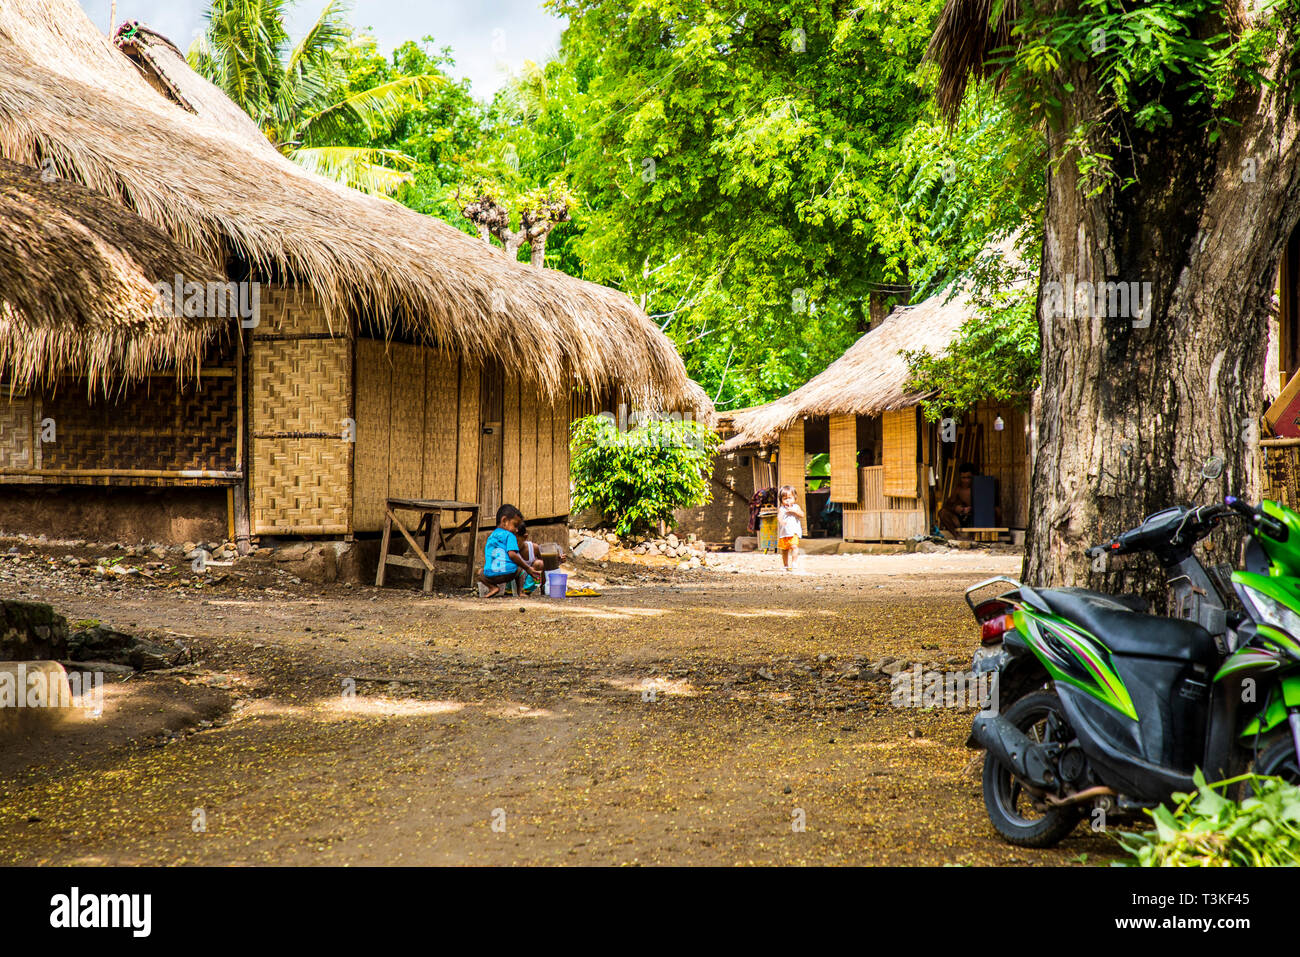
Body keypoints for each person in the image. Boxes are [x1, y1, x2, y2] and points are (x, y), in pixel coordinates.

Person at [478, 504, 543, 597]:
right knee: (519, 569)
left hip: (491, 575)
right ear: (504, 521)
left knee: (479, 573)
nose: (516, 530)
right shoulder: (510, 535)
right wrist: (527, 568)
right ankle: (520, 592)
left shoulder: (491, 536)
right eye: (515, 525)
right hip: (509, 574)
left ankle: (493, 587)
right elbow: (512, 555)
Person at [776, 484, 805, 573]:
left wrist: (794, 511)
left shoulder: (796, 507)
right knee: (784, 550)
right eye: (785, 499)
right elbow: (779, 517)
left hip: (793, 532)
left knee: (794, 546)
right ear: (781, 500)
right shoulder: (782, 508)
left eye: (790, 498)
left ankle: (794, 562)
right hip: (784, 533)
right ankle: (785, 565)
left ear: (794, 498)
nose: (788, 500)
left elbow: (802, 515)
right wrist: (781, 522)